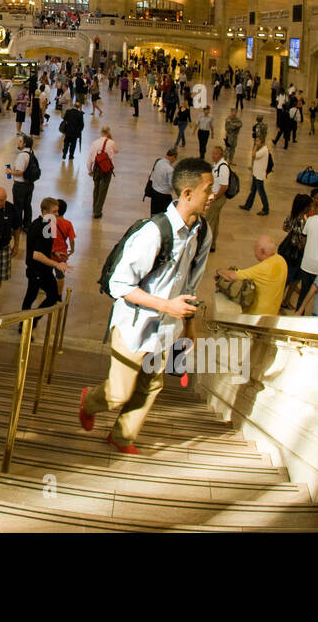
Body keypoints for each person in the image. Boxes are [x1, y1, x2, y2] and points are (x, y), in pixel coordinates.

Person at [79, 158, 214, 454]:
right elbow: (119, 285)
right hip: (134, 327)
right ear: (188, 194)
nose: (213, 195)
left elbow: (191, 285)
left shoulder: (201, 232)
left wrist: (189, 328)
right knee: (118, 392)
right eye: (208, 189)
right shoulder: (153, 233)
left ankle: (122, 436)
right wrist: (167, 306)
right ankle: (90, 400)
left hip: (166, 331)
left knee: (150, 386)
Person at [21, 197, 68, 320]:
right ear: (44, 211)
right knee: (33, 296)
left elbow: (43, 247)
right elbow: (37, 254)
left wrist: (54, 252)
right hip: (37, 270)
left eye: (57, 211)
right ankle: (28, 323)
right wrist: (57, 265)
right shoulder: (39, 227)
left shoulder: (49, 224)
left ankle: (30, 321)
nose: (57, 214)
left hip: (43, 270)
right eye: (54, 212)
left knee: (49, 296)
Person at [217, 235, 287, 315]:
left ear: (262, 251)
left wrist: (219, 271)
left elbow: (231, 276)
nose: (254, 250)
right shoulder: (281, 260)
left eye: (255, 248)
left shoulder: (263, 268)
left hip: (256, 316)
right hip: (273, 313)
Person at [86, 126, 119, 219]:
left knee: (96, 188)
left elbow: (90, 157)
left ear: (101, 132)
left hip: (96, 168)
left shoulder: (95, 142)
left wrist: (89, 169)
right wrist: (111, 139)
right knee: (103, 190)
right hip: (107, 169)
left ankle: (94, 208)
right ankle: (97, 211)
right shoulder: (111, 142)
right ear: (109, 133)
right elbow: (116, 151)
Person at [204, 145, 232, 252]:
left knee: (209, 221)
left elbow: (224, 186)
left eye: (216, 153)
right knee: (214, 220)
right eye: (212, 153)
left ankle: (206, 244)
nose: (213, 155)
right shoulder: (216, 165)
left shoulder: (223, 167)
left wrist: (215, 197)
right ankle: (212, 245)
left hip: (218, 197)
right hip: (215, 196)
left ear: (221, 155)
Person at [8, 134, 36, 231]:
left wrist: (10, 171)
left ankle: (17, 227)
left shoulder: (22, 155)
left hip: (20, 186)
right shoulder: (31, 152)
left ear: (24, 144)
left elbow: (19, 172)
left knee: (18, 207)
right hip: (30, 184)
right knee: (27, 206)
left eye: (20, 141)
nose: (18, 143)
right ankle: (27, 225)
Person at [239, 138, 271, 216]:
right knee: (253, 191)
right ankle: (248, 205)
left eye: (257, 141)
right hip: (256, 174)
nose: (256, 142)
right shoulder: (262, 149)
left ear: (262, 142)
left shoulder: (263, 150)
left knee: (261, 192)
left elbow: (253, 155)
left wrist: (255, 147)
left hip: (259, 175)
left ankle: (266, 209)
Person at [148, 147, 177, 216]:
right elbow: (171, 185)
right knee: (165, 214)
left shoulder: (159, 162)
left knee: (154, 212)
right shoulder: (170, 169)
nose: (175, 160)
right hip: (163, 195)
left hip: (154, 191)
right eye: (175, 158)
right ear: (172, 157)